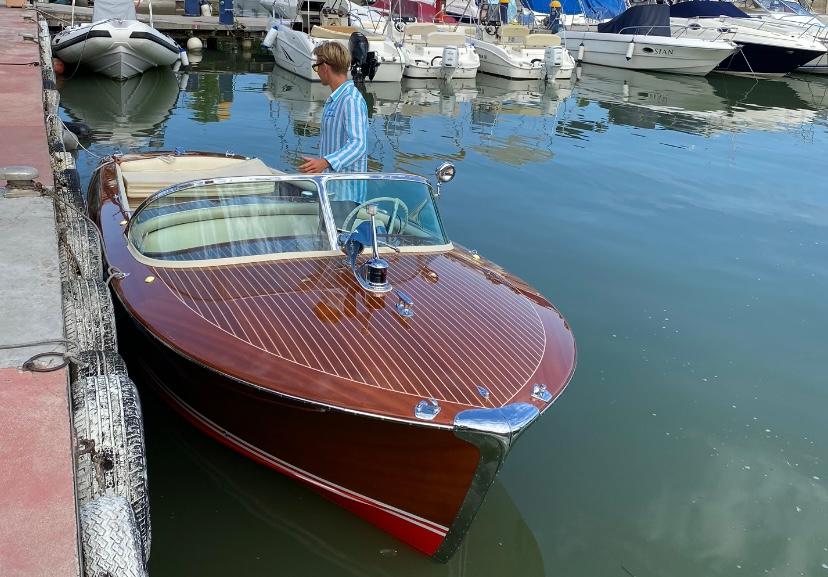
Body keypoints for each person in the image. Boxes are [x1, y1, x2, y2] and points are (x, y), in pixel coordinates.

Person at [299, 42, 368, 176]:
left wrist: (325, 162)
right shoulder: (335, 100)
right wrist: (318, 164)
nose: (317, 71)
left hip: (347, 192)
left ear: (325, 67)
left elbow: (358, 144)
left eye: (316, 66)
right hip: (331, 185)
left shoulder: (351, 100)